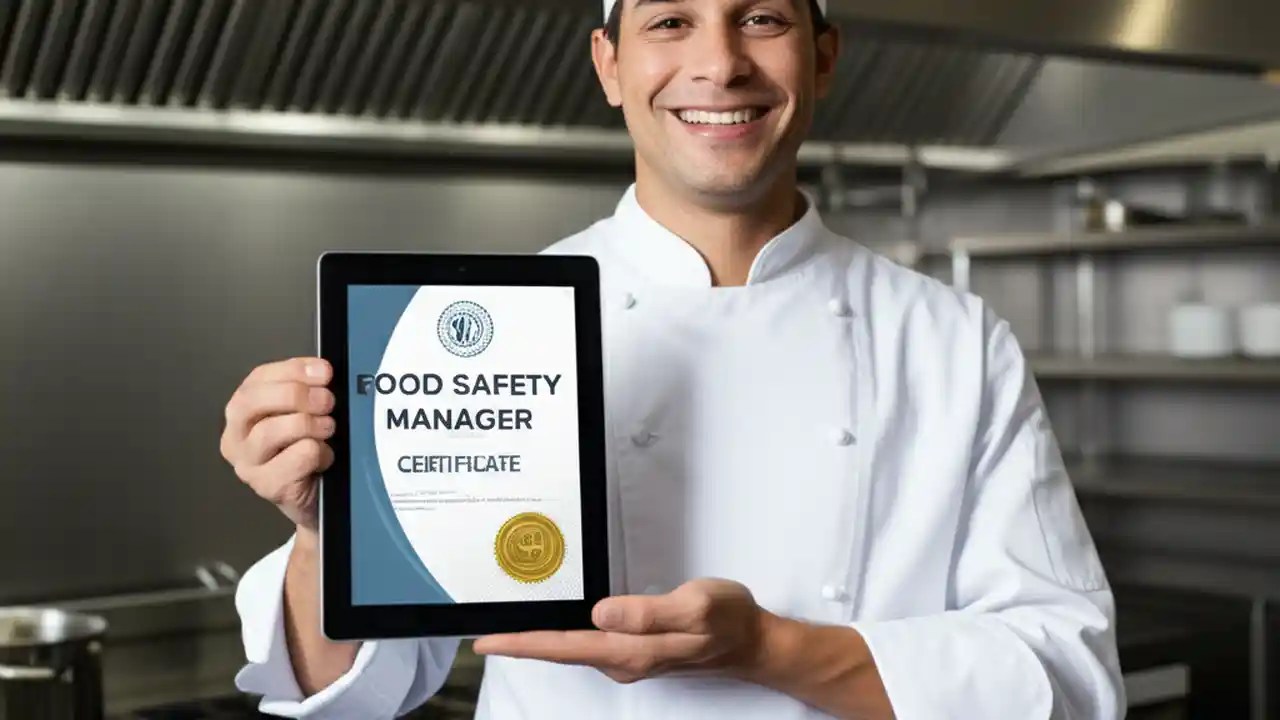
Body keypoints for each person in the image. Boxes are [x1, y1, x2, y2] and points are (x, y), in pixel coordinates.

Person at [221, 0, 1124, 717]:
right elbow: (361, 694)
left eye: (762, 18)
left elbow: (1071, 681)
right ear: (610, 64)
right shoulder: (497, 322)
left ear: (822, 56)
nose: (720, 62)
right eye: (669, 21)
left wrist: (773, 651)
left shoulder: (952, 341)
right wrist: (326, 533)